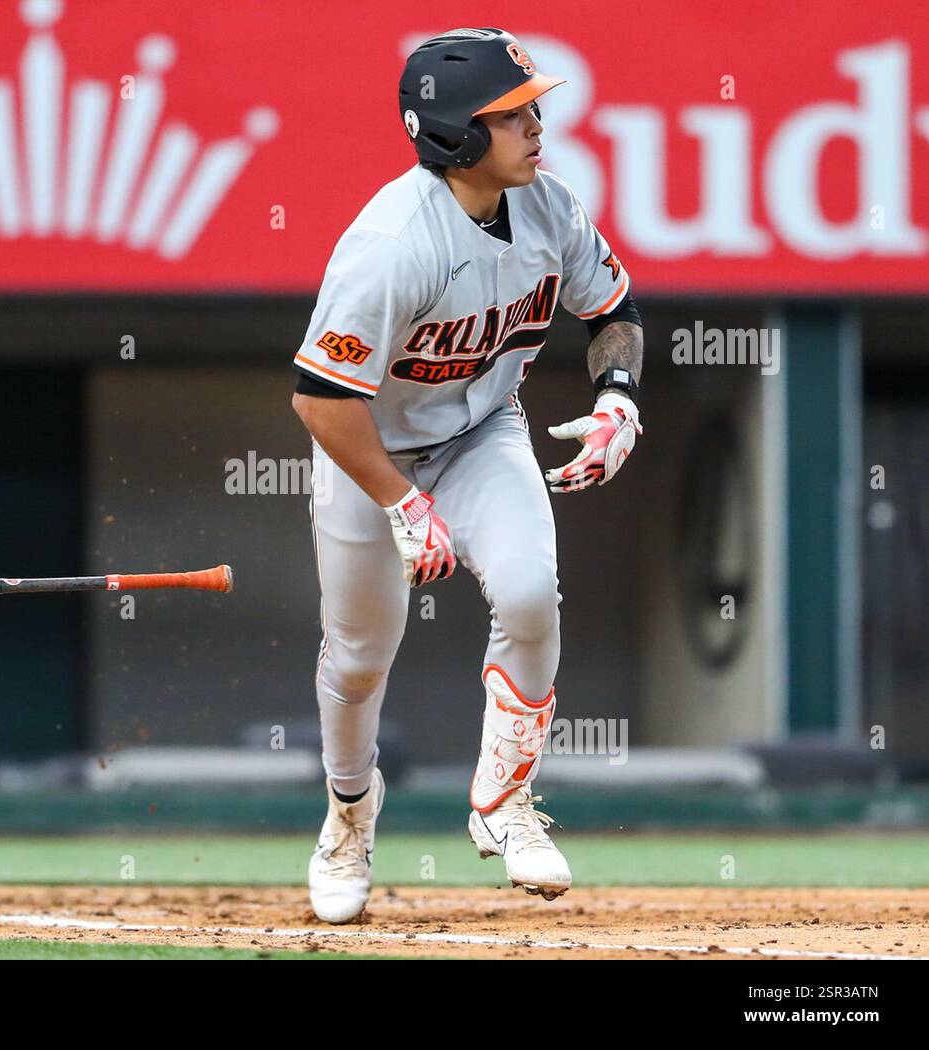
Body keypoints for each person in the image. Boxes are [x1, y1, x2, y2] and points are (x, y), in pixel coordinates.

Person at [291, 28, 644, 924]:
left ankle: (505, 799)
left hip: (483, 430)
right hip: (370, 451)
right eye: (511, 113)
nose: (536, 124)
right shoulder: (390, 242)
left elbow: (612, 309)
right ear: (453, 131)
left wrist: (618, 397)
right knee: (362, 660)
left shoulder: (551, 206)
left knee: (530, 594)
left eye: (533, 107)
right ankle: (347, 814)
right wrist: (402, 502)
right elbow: (320, 400)